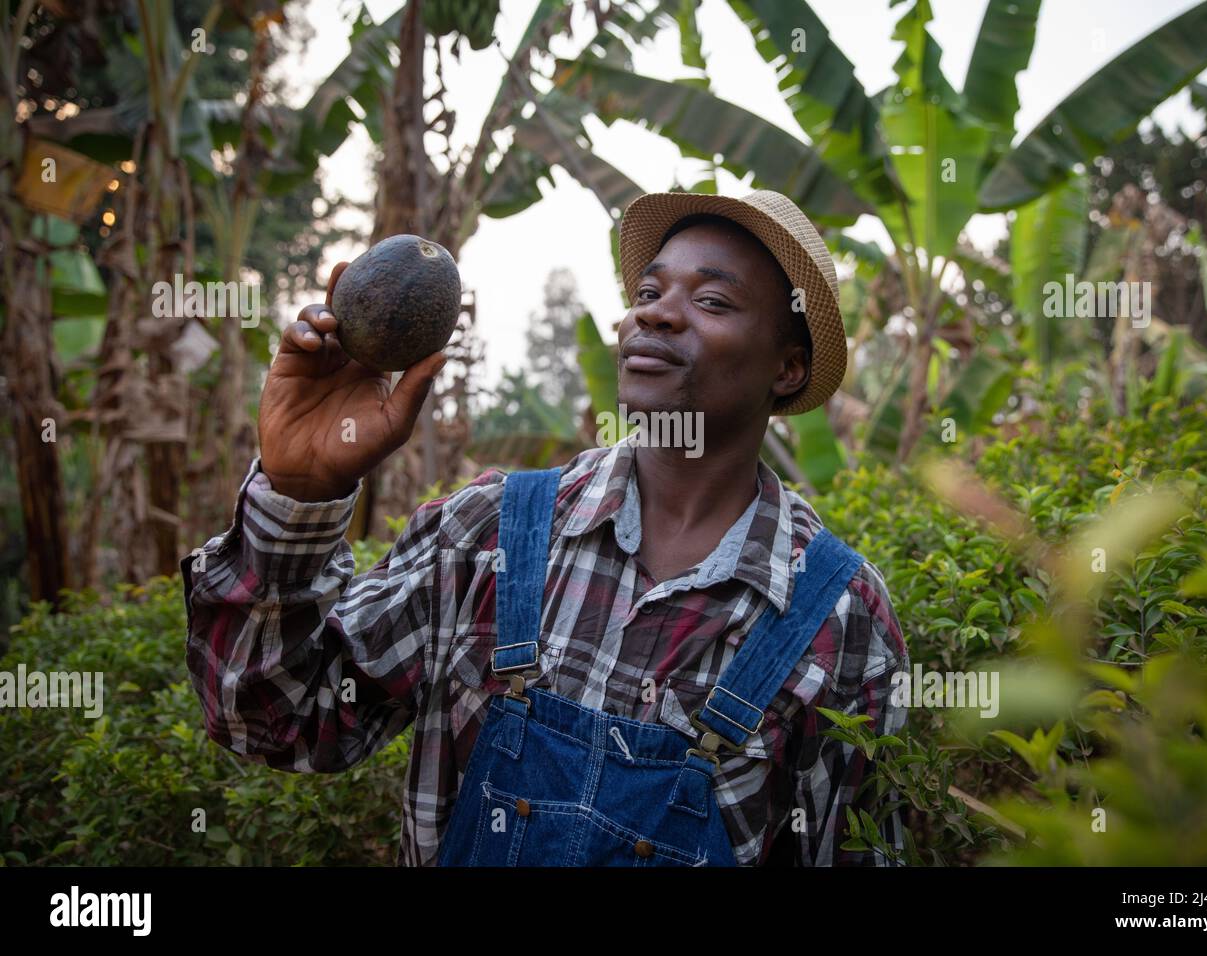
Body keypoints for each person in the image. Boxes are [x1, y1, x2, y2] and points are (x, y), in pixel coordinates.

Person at [183, 188, 910, 866]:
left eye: (713, 300)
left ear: (787, 368)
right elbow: (274, 718)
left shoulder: (841, 620)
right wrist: (301, 491)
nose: (652, 315)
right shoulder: (485, 533)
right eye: (649, 293)